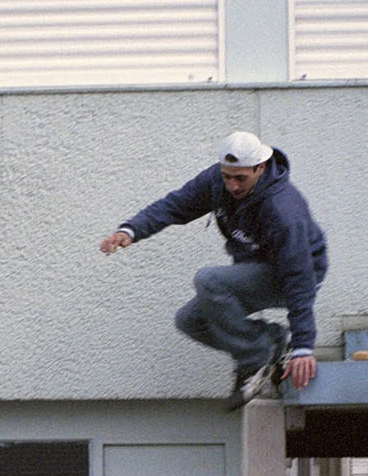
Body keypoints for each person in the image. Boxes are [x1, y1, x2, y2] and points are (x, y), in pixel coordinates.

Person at [101, 130, 328, 408]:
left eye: (240, 178)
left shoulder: (282, 210)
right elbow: (175, 205)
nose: (232, 186)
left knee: (208, 280)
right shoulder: (216, 182)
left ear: (260, 168)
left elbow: (299, 277)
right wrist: (132, 229)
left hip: (297, 273)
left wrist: (304, 346)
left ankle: (255, 357)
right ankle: (271, 341)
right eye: (227, 176)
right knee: (190, 320)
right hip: (257, 268)